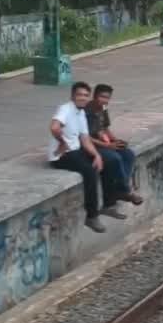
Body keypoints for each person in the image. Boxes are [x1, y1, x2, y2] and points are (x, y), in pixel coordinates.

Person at [48, 81, 127, 233]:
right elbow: (54, 127)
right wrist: (62, 142)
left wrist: (96, 155)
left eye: (85, 95)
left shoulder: (81, 113)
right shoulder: (65, 109)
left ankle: (109, 204)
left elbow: (85, 139)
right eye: (79, 95)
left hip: (76, 150)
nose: (83, 98)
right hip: (61, 156)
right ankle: (91, 216)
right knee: (90, 171)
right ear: (72, 96)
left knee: (108, 159)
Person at [86, 84, 143, 217]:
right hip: (90, 144)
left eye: (107, 98)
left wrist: (115, 140)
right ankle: (125, 190)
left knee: (128, 154)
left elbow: (105, 128)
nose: (104, 100)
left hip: (103, 142)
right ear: (95, 96)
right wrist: (107, 146)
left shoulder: (103, 108)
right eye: (102, 97)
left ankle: (121, 189)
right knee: (114, 158)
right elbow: (85, 137)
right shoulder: (86, 112)